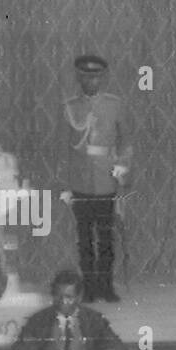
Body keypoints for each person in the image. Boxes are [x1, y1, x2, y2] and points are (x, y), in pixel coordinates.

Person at [62, 55, 132, 304]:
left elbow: (125, 140)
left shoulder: (115, 104)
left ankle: (106, 286)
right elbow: (64, 147)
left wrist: (122, 165)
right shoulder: (71, 106)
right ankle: (89, 287)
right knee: (84, 237)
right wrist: (65, 184)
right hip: (80, 180)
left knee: (105, 236)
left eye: (96, 76)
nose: (91, 81)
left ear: (102, 78)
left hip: (105, 178)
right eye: (86, 76)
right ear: (79, 77)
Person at [14, 270, 125, 350]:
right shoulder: (38, 319)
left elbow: (113, 344)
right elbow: (23, 347)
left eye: (68, 297)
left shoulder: (94, 319)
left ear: (79, 297)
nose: (63, 301)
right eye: (58, 296)